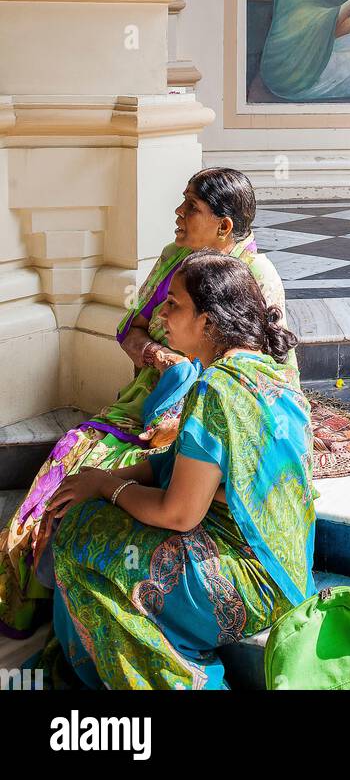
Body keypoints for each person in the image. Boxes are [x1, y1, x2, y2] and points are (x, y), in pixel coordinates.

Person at [0, 167, 287, 639]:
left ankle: (82, 609)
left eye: (191, 207)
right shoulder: (176, 257)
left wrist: (115, 483)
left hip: (186, 424)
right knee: (68, 472)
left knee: (91, 513)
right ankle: (47, 600)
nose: (177, 213)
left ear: (224, 227)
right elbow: (130, 328)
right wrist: (162, 358)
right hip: (146, 402)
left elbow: (267, 385)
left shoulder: (252, 290)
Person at [38, 252, 315, 690]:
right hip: (289, 571)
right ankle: (100, 660)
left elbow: (179, 514)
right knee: (91, 544)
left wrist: (107, 486)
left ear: (209, 321)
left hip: (244, 581)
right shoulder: (268, 373)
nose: (162, 315)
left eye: (175, 305)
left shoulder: (213, 388)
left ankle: (179, 678)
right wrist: (117, 477)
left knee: (77, 533)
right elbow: (184, 465)